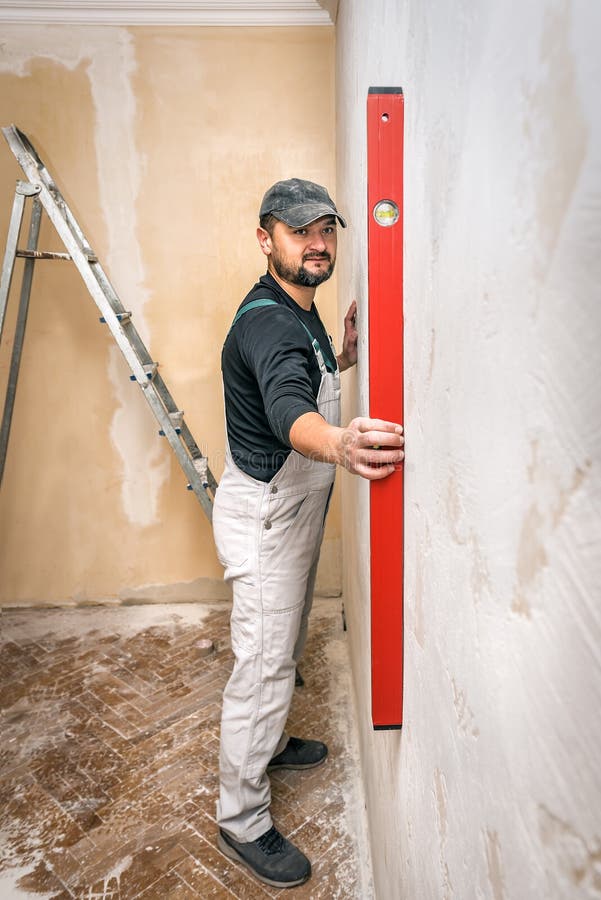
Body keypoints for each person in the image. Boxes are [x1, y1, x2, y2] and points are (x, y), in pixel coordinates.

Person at [213, 178, 404, 888]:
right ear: (266, 240)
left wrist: (343, 355)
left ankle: (268, 742)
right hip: (267, 516)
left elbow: (302, 375)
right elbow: (290, 406)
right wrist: (342, 446)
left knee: (282, 642)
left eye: (326, 230)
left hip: (285, 510)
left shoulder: (298, 312)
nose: (318, 244)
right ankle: (241, 818)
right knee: (262, 663)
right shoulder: (268, 322)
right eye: (300, 232)